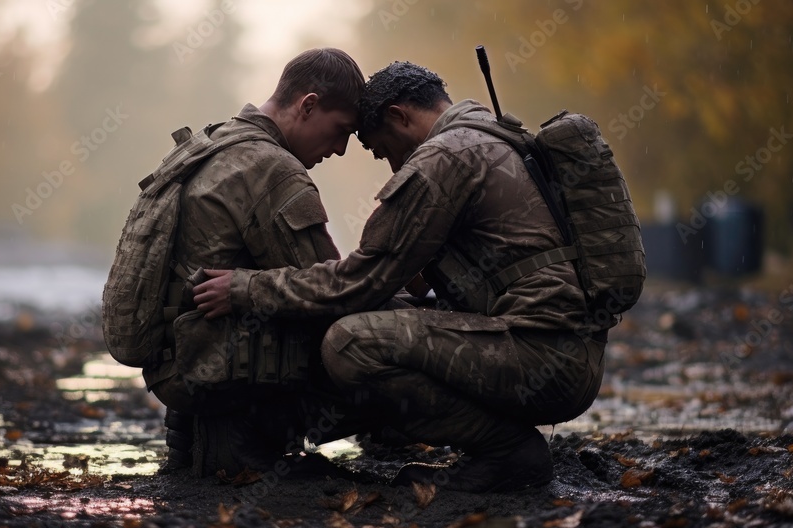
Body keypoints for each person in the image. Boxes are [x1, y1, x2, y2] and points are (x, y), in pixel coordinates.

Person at [192, 61, 609, 492]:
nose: (392, 167)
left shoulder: (445, 156)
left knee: (351, 343)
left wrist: (247, 289)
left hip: (541, 357)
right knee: (389, 317)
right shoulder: (491, 135)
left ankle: (507, 452)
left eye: (384, 150)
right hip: (562, 351)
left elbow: (359, 280)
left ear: (399, 116)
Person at [147, 47, 367, 477]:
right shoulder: (274, 169)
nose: (340, 149)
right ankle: (249, 430)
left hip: (177, 361)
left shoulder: (215, 141)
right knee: (381, 338)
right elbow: (335, 289)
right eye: (341, 130)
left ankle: (200, 427)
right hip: (221, 371)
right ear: (308, 105)